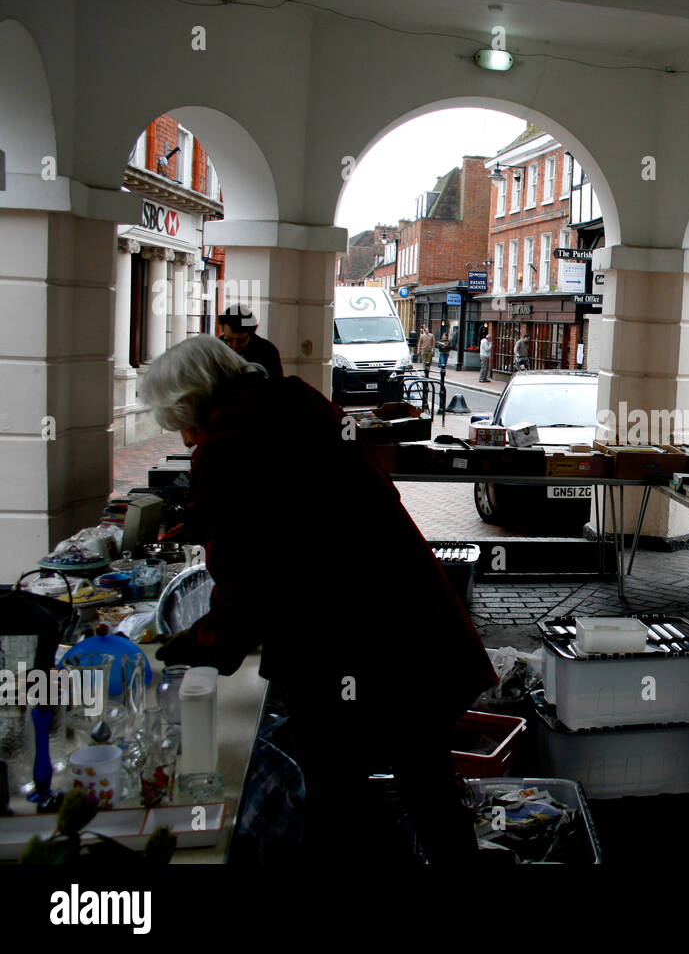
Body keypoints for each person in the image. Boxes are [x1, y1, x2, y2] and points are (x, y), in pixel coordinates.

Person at [139, 335, 496, 862]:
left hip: (341, 640)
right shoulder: (297, 401)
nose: (189, 439)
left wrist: (195, 644)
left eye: (184, 424)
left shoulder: (228, 441)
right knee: (426, 782)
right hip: (407, 614)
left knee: (339, 789)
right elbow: (294, 506)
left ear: (197, 402)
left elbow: (248, 576)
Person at [216, 304, 283, 380]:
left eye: (241, 341)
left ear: (251, 333)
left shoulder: (267, 351)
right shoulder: (215, 349)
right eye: (228, 340)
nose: (234, 346)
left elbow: (277, 386)